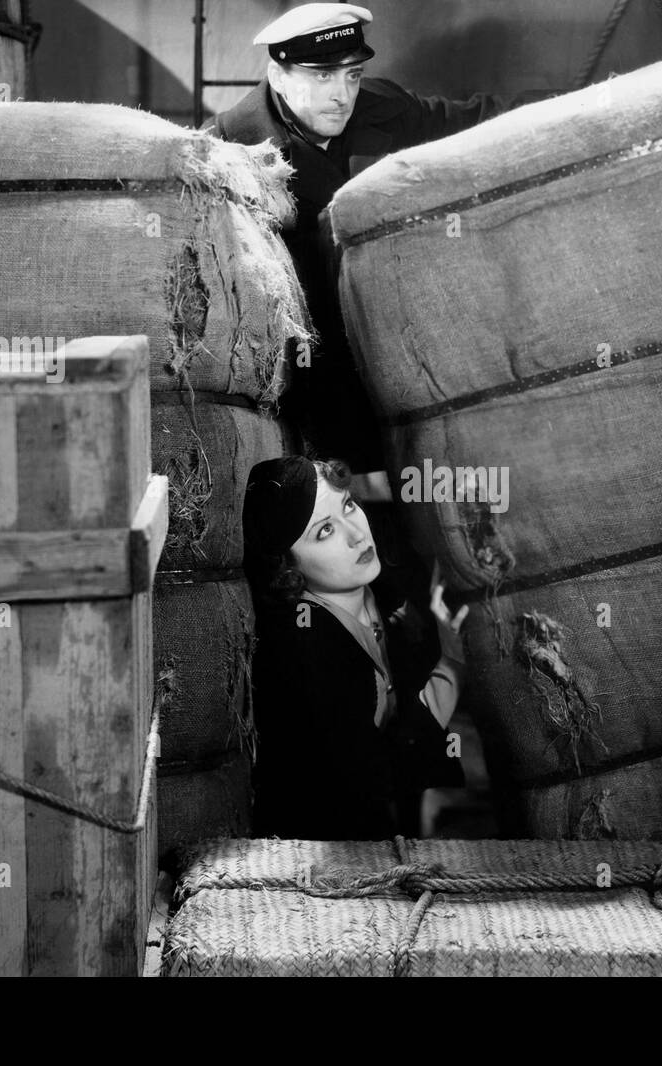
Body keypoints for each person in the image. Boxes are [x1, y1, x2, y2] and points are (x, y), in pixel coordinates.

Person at [205, 2, 541, 474]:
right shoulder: (228, 146)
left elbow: (479, 119)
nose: (342, 95)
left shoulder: (383, 108)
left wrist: (586, 107)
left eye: (352, 75)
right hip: (307, 370)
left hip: (399, 338)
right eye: (322, 76)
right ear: (278, 75)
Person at [242, 454, 469, 840]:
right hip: (329, 847)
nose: (358, 535)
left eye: (349, 506)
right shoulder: (304, 640)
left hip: (393, 834)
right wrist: (451, 664)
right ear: (288, 566)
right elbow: (374, 775)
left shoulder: (382, 591)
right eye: (325, 531)